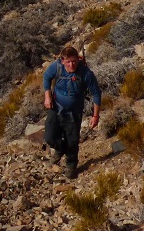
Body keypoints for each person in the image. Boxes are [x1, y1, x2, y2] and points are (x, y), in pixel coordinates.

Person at [42, 45, 102, 178]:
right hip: (55, 107)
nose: (71, 65)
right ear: (62, 61)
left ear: (78, 60)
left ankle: (71, 166)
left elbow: (96, 94)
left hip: (74, 113)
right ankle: (59, 149)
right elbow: (46, 77)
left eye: (74, 61)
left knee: (72, 141)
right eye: (68, 62)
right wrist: (47, 96)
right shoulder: (56, 67)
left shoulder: (85, 73)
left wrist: (95, 116)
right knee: (50, 137)